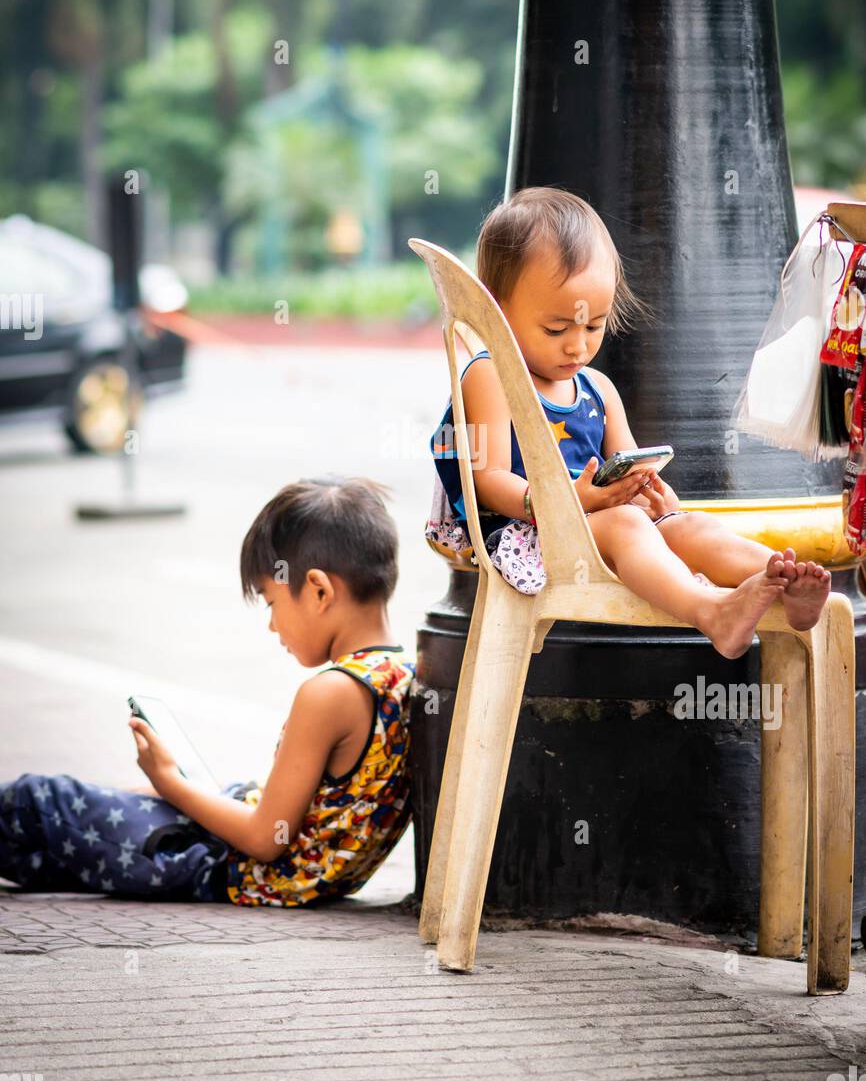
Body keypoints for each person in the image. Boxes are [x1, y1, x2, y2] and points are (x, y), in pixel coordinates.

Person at [425, 186, 832, 660]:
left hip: (607, 529)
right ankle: (711, 612)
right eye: (556, 329)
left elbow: (628, 469)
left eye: (593, 325)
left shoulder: (598, 389)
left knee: (689, 526)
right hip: (525, 537)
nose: (577, 346)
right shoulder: (489, 373)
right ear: (495, 307)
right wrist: (559, 501)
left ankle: (785, 582)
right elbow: (487, 480)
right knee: (624, 525)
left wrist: (653, 495)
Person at [1, 476, 415, 906]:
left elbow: (264, 838)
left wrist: (167, 782)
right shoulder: (403, 676)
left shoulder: (330, 693)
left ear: (318, 590)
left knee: (35, 801)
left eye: (271, 603)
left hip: (216, 862)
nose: (272, 625)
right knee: (54, 834)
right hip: (236, 847)